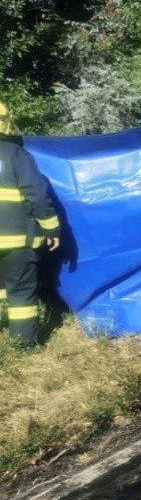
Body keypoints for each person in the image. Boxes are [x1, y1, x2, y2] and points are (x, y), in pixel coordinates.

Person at [0, 101, 61, 346]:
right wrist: (52, 228)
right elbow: (36, 194)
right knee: (22, 293)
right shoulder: (16, 154)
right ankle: (22, 345)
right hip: (17, 242)